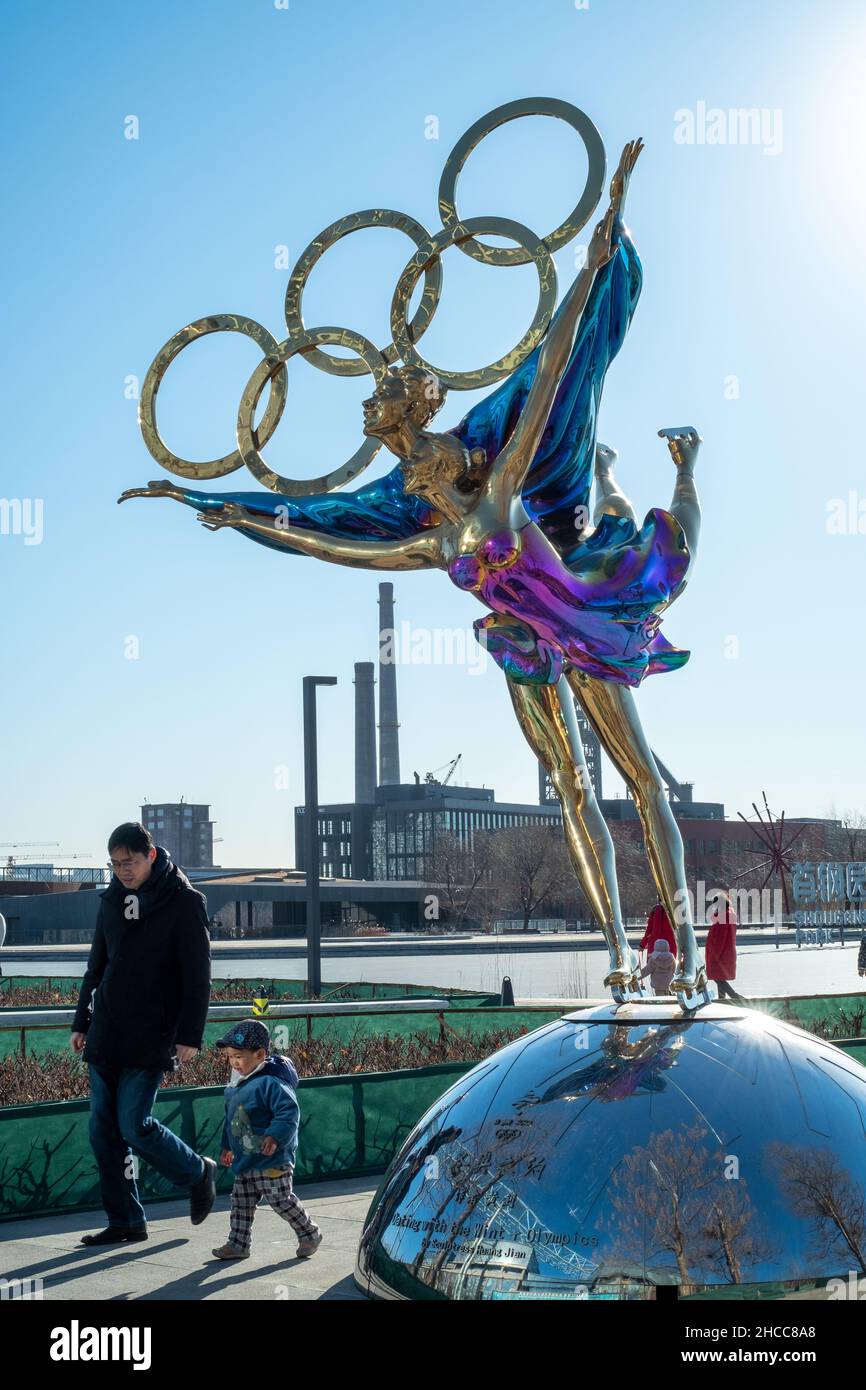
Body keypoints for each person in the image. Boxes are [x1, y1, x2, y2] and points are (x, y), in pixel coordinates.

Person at [121, 139, 706, 1004]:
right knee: (574, 789)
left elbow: (550, 373)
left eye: (388, 389)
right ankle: (620, 952)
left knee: (641, 779)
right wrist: (228, 509)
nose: (375, 400)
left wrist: (592, 260)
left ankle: (687, 954)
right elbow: (329, 540)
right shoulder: (429, 531)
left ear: (419, 406)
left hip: (580, 622)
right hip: (520, 642)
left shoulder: (496, 481)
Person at [70, 821, 215, 1244]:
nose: (122, 872)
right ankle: (126, 1221)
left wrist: (191, 1034)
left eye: (129, 862)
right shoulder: (112, 900)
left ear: (151, 855)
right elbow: (97, 965)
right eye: (115, 864)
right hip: (106, 1033)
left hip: (153, 1035)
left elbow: (198, 975)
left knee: (134, 1125)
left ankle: (197, 1170)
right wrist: (81, 1022)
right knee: (103, 1132)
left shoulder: (185, 902)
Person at [211, 1019, 321, 1261]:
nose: (234, 1062)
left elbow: (288, 1111)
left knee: (280, 1199)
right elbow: (232, 1119)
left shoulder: (271, 1082)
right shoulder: (235, 1085)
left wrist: (274, 1137)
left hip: (272, 1157)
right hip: (246, 1158)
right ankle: (238, 1244)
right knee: (240, 1201)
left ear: (260, 1054)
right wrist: (227, 1146)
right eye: (230, 1056)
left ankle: (309, 1233)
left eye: (239, 1056)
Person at [706, 892, 744, 1002]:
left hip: (721, 953)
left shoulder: (724, 917)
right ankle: (722, 999)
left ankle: (734, 996)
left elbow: (720, 938)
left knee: (718, 978)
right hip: (726, 952)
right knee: (719, 977)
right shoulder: (728, 914)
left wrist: (715, 955)